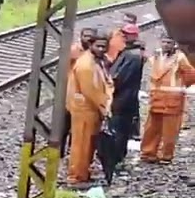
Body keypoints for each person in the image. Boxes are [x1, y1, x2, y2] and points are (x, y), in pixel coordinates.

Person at [66, 33, 113, 186]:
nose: (101, 49)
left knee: (88, 144)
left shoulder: (96, 61)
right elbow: (91, 91)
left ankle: (83, 172)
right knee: (81, 144)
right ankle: (76, 176)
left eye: (104, 47)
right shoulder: (86, 65)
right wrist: (104, 108)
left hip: (90, 110)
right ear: (91, 45)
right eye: (98, 46)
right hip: (85, 109)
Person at [141, 35, 195, 164]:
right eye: (164, 42)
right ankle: (149, 153)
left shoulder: (180, 58)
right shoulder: (156, 56)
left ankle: (166, 155)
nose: (165, 45)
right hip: (157, 98)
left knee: (169, 131)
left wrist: (181, 85)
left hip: (172, 100)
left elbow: (191, 74)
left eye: (169, 42)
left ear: (174, 44)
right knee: (151, 129)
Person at [107, 23, 144, 170]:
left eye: (126, 34)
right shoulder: (129, 52)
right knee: (119, 130)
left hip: (123, 99)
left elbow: (120, 78)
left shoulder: (132, 55)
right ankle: (115, 159)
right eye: (123, 33)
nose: (123, 36)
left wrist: (108, 87)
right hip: (124, 98)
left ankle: (116, 160)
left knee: (119, 131)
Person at [61, 26, 99, 158]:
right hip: (71, 92)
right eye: (85, 36)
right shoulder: (74, 51)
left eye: (90, 36)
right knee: (65, 123)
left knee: (79, 126)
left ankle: (73, 152)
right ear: (81, 37)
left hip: (86, 94)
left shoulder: (95, 52)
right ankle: (60, 151)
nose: (87, 38)